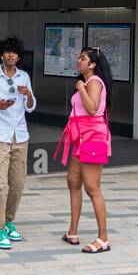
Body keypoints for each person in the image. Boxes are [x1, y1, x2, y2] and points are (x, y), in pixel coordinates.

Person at [0, 36, 35, 250]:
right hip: (0, 137)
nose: (11, 55)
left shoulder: (24, 77)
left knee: (18, 184)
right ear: (1, 54)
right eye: (7, 52)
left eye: (14, 52)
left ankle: (9, 220)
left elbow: (30, 107)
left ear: (19, 56)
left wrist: (28, 94)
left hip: (21, 136)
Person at [59, 47, 113, 254]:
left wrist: (81, 87)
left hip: (92, 138)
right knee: (73, 182)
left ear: (92, 65)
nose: (78, 61)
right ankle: (72, 231)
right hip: (78, 137)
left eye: (82, 58)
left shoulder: (95, 83)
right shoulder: (88, 82)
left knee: (92, 187)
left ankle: (103, 238)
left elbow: (92, 108)